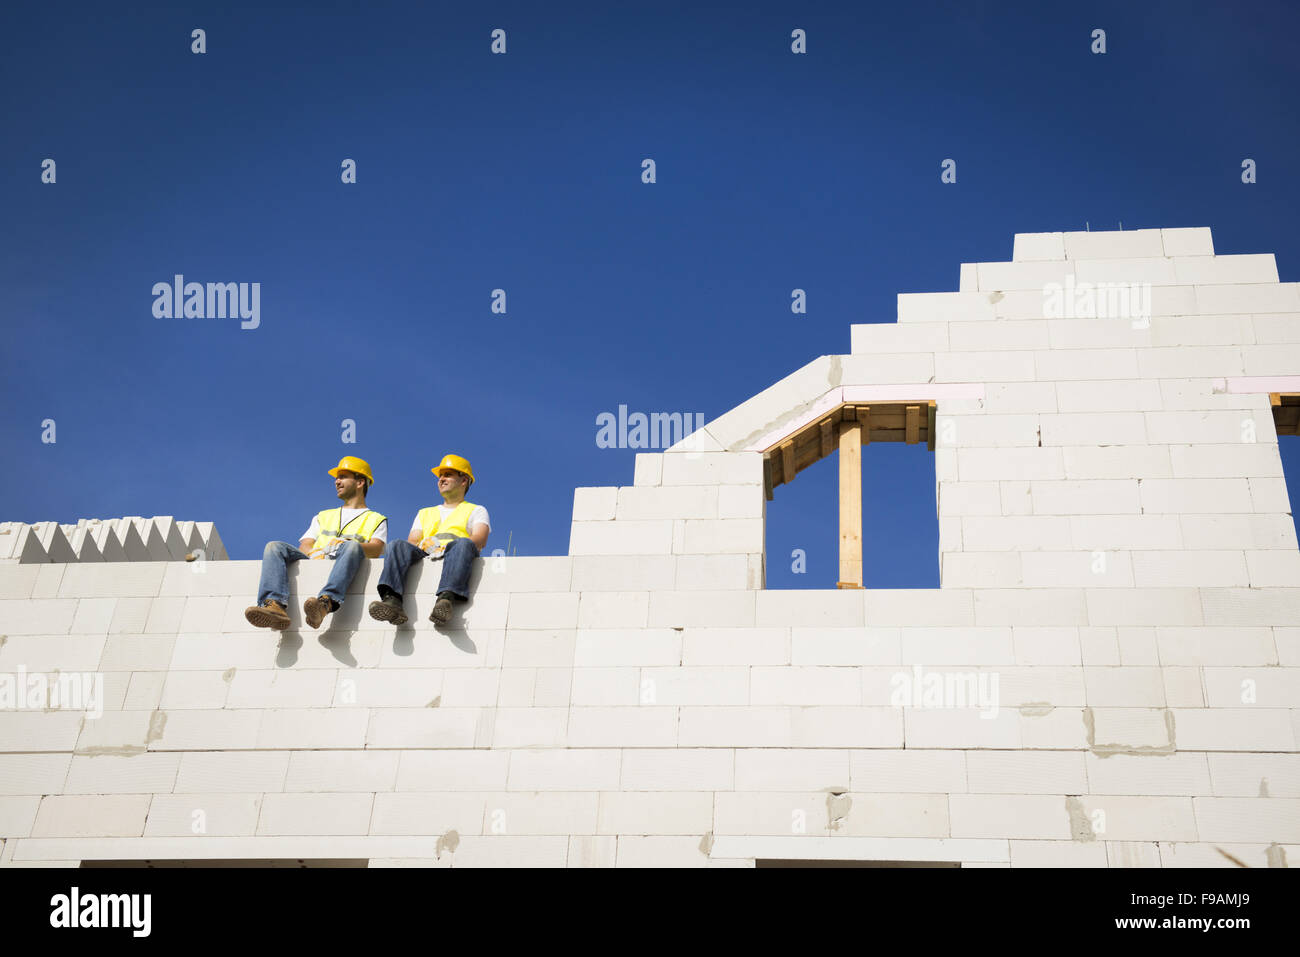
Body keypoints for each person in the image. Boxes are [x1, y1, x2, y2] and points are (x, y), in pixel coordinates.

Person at [244, 456, 388, 631]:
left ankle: (325, 603)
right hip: (316, 556)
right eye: (337, 478)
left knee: (352, 546)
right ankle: (275, 605)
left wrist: (348, 544)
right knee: (274, 547)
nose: (337, 482)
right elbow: (305, 544)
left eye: (343, 476)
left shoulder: (376, 519)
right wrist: (313, 553)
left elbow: (376, 549)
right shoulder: (323, 515)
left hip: (345, 556)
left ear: (360, 482)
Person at [368, 454, 489, 627]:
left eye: (447, 475)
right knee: (396, 545)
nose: (441, 479)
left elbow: (479, 539)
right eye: (440, 476)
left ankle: (445, 599)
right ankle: (392, 601)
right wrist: (424, 544)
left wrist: (449, 546)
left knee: (464, 543)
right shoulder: (425, 512)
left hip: (454, 552)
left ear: (464, 481)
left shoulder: (476, 510)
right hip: (426, 552)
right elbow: (412, 541)